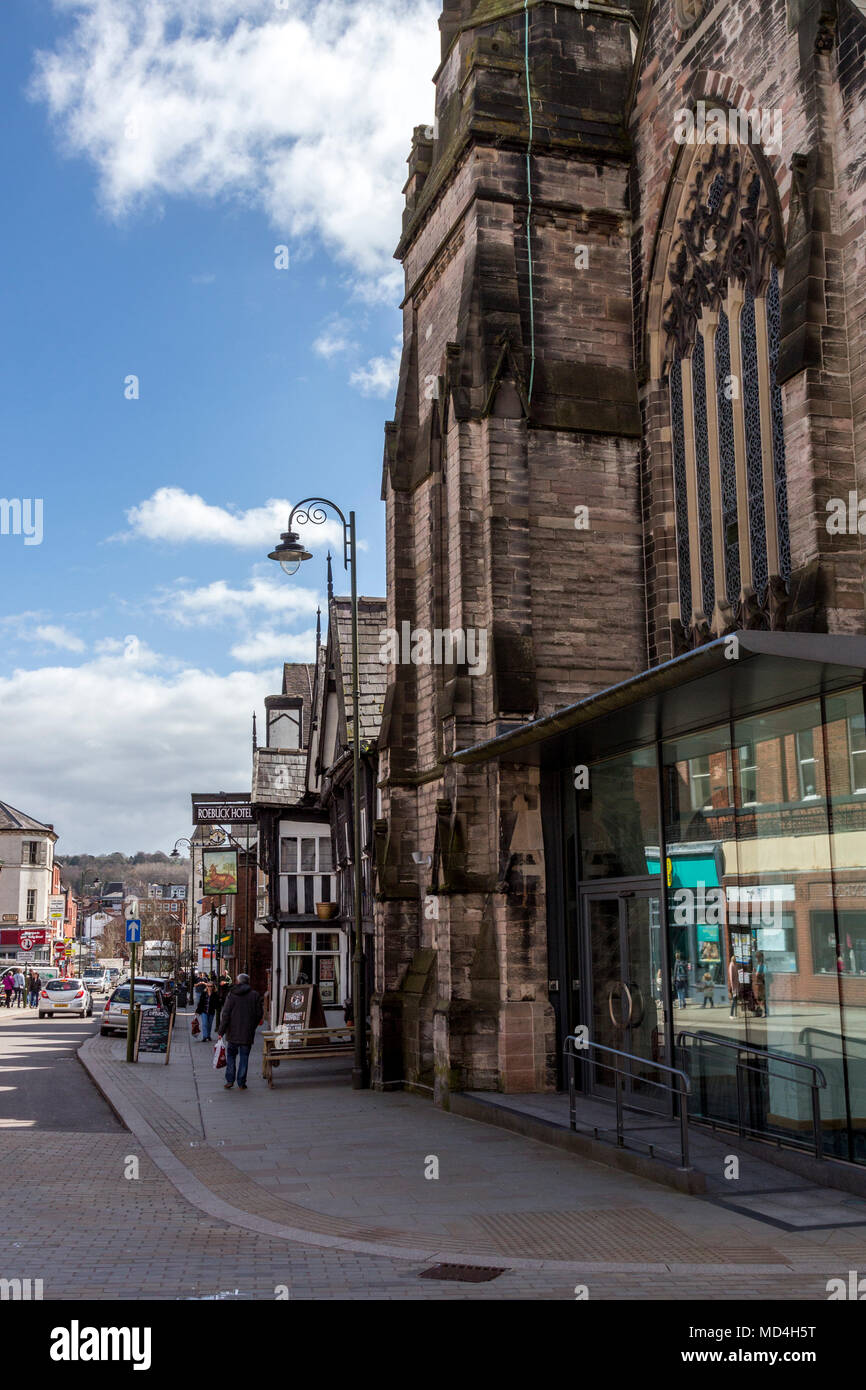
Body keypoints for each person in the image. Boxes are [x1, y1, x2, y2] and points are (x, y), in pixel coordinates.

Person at [217, 973, 263, 1090]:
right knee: (244, 1057)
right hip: (247, 1032)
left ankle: (230, 1080)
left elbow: (226, 1014)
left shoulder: (232, 994)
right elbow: (259, 1014)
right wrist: (252, 1026)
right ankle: (241, 1082)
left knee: (231, 1056)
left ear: (238, 982)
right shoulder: (254, 995)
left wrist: (221, 1031)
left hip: (232, 1032)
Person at [728, 951, 739, 1017]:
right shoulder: (731, 965)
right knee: (734, 1000)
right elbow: (731, 977)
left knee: (736, 1000)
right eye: (735, 959)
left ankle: (735, 1014)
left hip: (736, 985)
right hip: (734, 986)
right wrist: (732, 987)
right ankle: (731, 1014)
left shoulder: (735, 965)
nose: (736, 960)